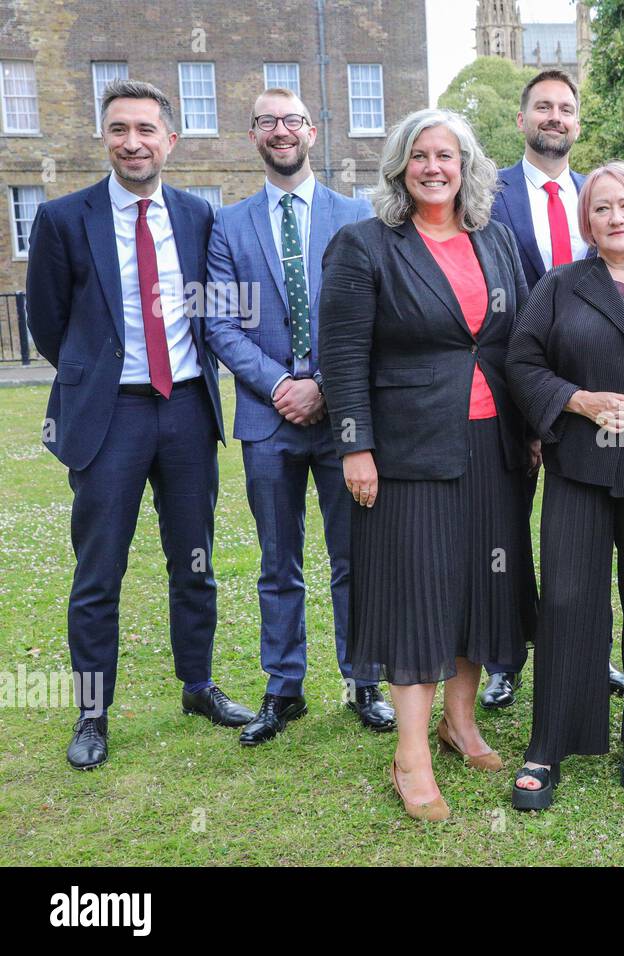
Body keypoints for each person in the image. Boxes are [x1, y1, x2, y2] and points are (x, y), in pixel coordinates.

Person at [25, 80, 254, 769]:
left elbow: (213, 308)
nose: (133, 142)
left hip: (186, 407)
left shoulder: (196, 216)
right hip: (109, 417)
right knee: (99, 572)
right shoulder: (65, 219)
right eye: (120, 129)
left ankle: (199, 684)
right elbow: (47, 323)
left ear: (169, 140)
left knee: (196, 561)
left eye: (147, 130)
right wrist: (97, 377)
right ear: (104, 137)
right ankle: (93, 714)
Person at [318, 108, 536, 821]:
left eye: (447, 155)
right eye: (421, 156)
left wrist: (533, 426)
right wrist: (355, 444)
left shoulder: (496, 239)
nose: (434, 167)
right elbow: (344, 354)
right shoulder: (364, 245)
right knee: (420, 594)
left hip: (492, 445)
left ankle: (459, 722)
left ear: (468, 167)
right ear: (400, 167)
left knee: (482, 586)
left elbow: (516, 342)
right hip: (407, 450)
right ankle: (410, 752)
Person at [506, 161, 624, 812]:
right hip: (579, 471)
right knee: (566, 602)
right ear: (586, 220)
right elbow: (522, 362)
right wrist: (578, 401)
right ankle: (551, 741)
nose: (616, 218)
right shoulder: (559, 286)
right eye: (602, 208)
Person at [205, 88, 393, 745]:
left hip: (345, 417)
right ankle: (284, 689)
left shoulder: (357, 214)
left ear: (312, 130)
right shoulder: (227, 225)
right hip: (267, 419)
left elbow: (374, 313)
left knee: (354, 557)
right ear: (252, 133)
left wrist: (323, 385)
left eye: (290, 120)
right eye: (266, 121)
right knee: (277, 562)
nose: (280, 131)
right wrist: (283, 383)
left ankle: (363, 681)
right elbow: (220, 323)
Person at [487, 69, 623, 707]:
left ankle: (589, 654)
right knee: (506, 533)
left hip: (591, 406)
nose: (555, 118)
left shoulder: (597, 196)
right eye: (542, 107)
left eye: (566, 109)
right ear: (521, 119)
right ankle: (505, 657)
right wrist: (531, 411)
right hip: (511, 391)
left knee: (585, 540)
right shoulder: (488, 194)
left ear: (577, 122)